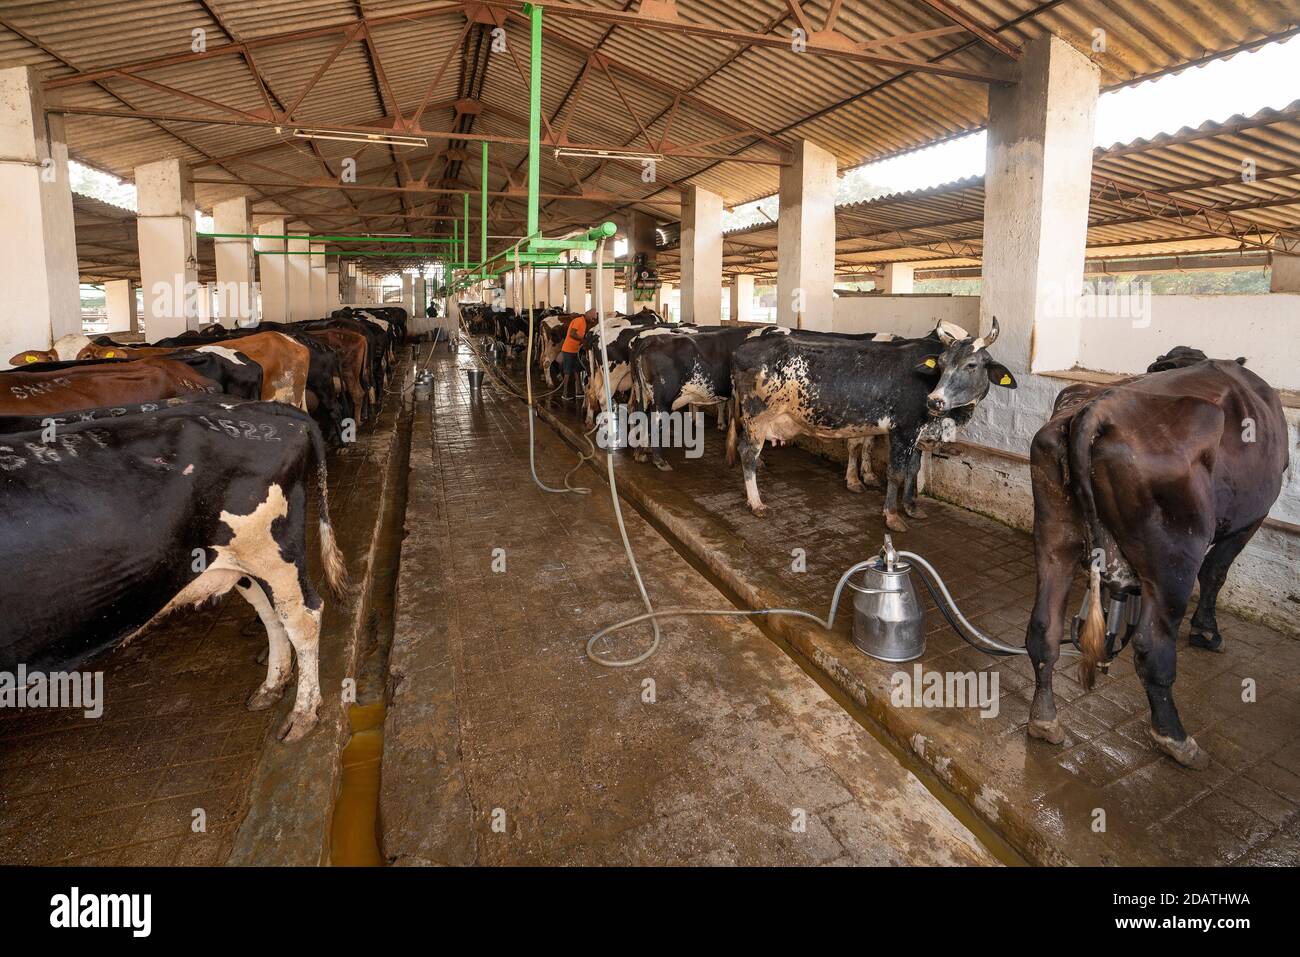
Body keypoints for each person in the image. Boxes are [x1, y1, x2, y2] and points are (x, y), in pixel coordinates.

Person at [558, 309, 592, 402]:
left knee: (576, 370)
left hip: (574, 350)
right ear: (587, 315)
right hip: (568, 350)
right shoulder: (579, 320)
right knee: (567, 372)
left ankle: (579, 391)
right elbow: (572, 333)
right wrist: (583, 340)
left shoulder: (584, 322)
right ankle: (565, 393)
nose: (593, 319)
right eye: (592, 317)